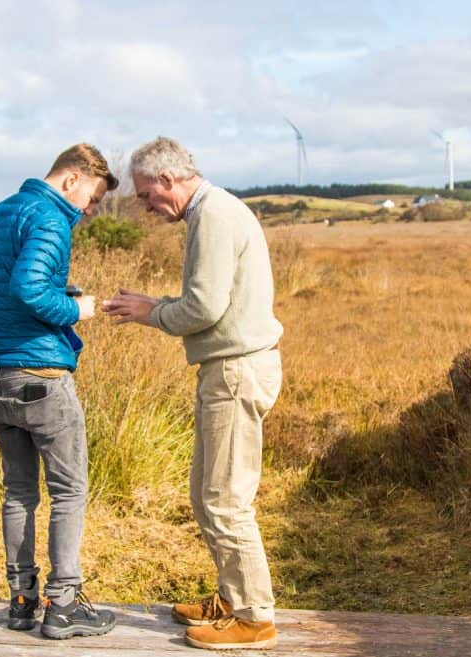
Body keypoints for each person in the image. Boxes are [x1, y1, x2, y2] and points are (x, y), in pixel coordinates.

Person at [102, 137, 283, 650]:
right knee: (206, 498)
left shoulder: (214, 216)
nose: (144, 205)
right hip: (229, 369)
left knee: (225, 501)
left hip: (234, 371)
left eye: (143, 195)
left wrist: (151, 312)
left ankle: (254, 617)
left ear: (167, 181)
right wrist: (157, 304)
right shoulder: (213, 212)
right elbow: (209, 304)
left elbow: (204, 308)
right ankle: (231, 600)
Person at [0, 143, 118, 640]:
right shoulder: (48, 218)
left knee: (19, 490)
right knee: (69, 491)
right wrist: (76, 309)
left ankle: (22, 602)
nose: (89, 211)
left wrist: (47, 297)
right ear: (72, 179)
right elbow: (28, 288)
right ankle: (64, 607)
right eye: (91, 198)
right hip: (42, 378)